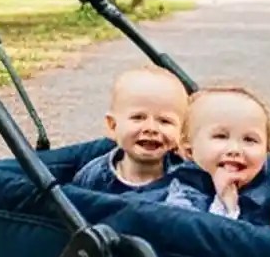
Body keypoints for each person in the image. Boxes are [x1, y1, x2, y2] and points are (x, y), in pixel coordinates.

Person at [142, 85, 270, 225]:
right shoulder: (181, 195)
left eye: (250, 140)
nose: (235, 149)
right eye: (221, 137)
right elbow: (188, 237)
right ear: (189, 150)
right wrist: (225, 206)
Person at [72, 65, 189, 193]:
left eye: (164, 121)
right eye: (138, 117)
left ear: (182, 131)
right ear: (113, 126)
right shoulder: (93, 177)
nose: (151, 128)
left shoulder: (187, 178)